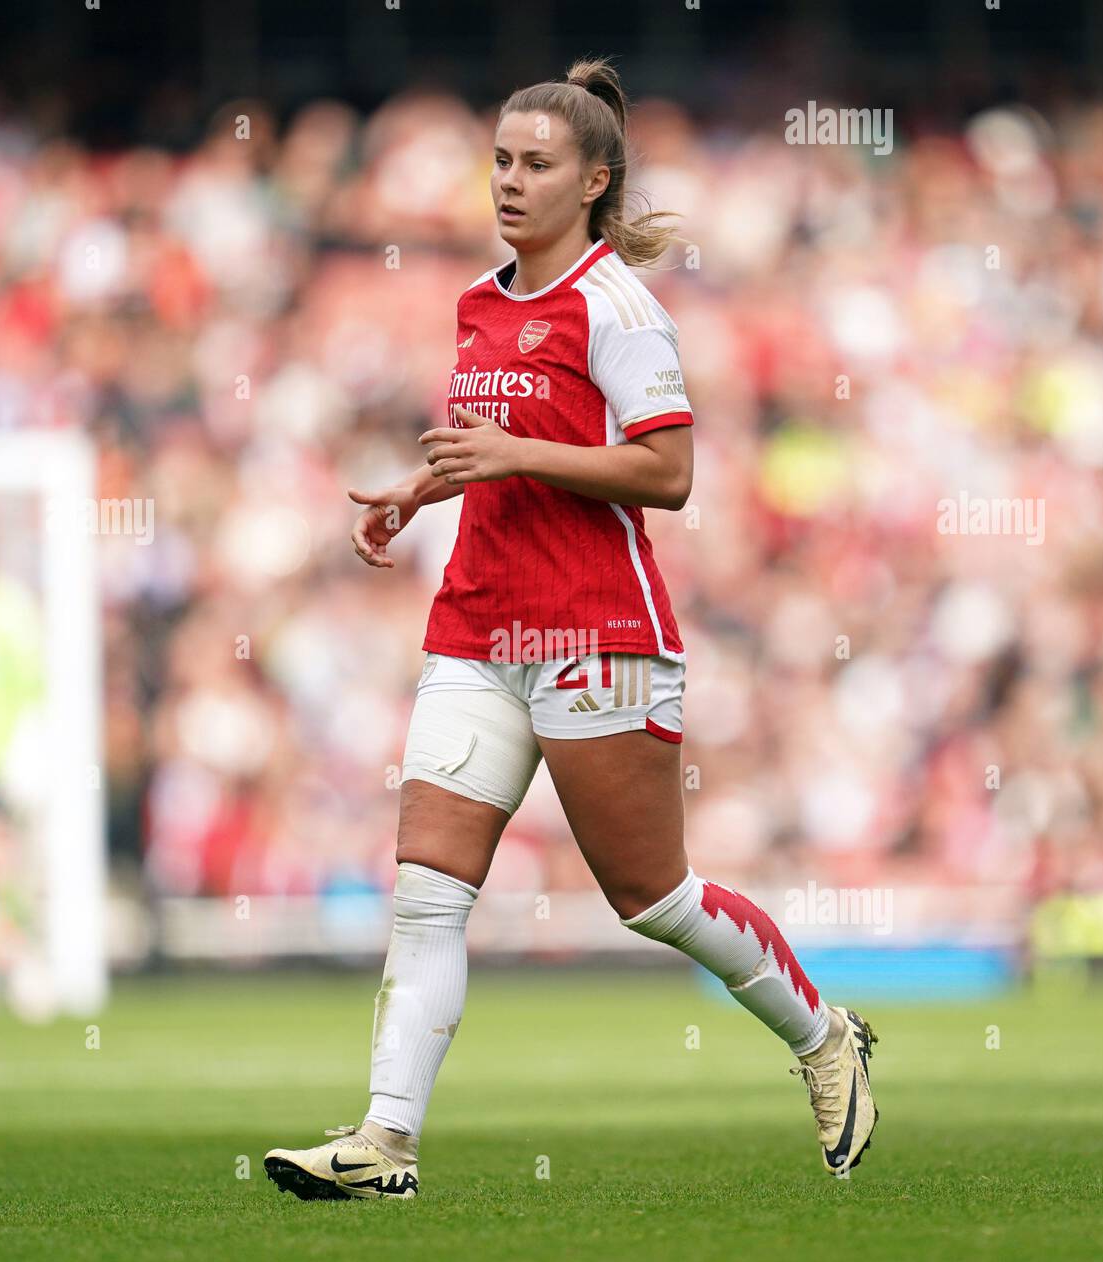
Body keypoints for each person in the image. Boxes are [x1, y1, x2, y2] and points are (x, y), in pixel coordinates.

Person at [265, 57, 878, 1201]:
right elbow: (498, 456)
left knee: (653, 899)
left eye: (535, 164)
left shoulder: (619, 307)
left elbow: (670, 472)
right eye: (499, 159)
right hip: (475, 626)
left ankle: (823, 1034)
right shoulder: (479, 302)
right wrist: (421, 489)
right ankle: (383, 1144)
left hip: (598, 629)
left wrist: (513, 455)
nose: (508, 181)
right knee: (427, 890)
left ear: (594, 181)